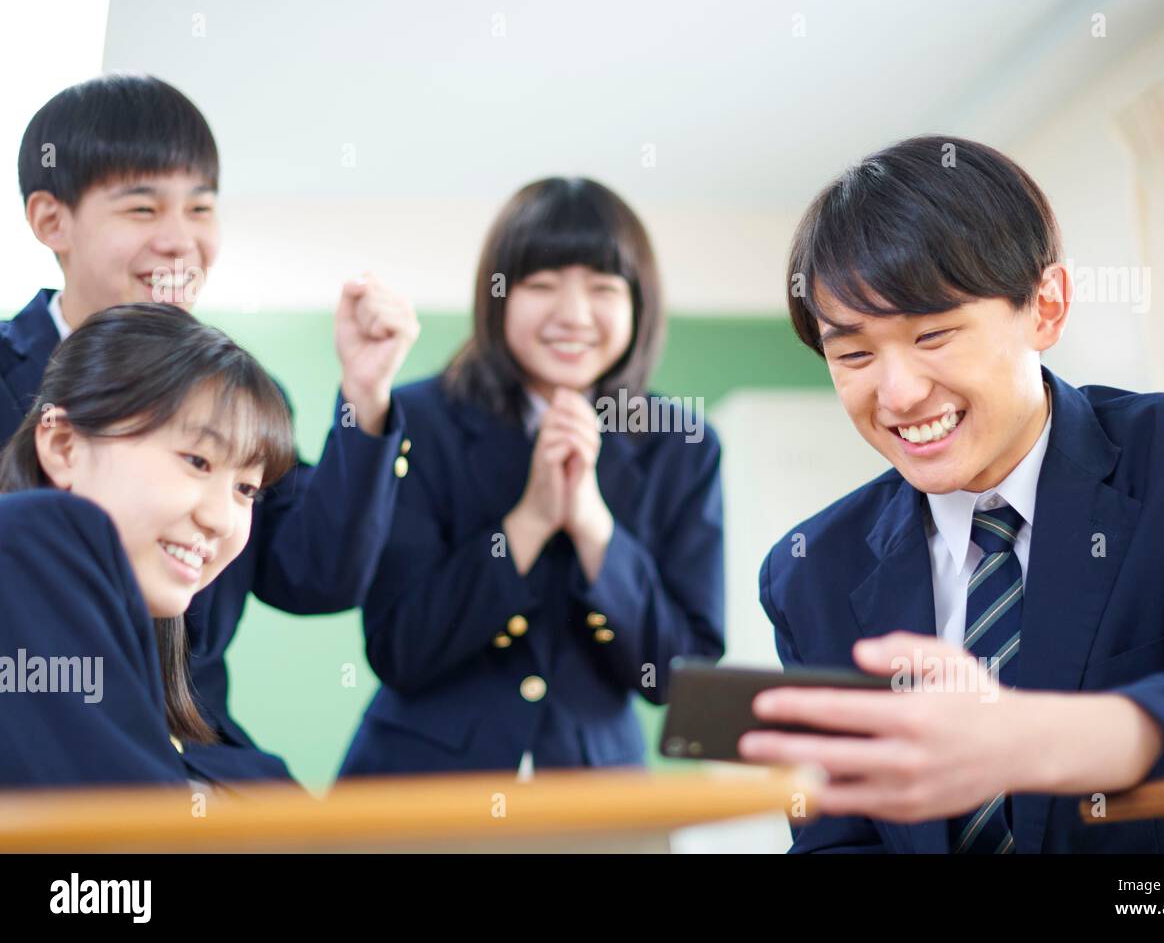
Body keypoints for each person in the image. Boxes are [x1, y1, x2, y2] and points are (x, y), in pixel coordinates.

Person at [737, 135, 1164, 853]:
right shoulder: (810, 568)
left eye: (934, 334)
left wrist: (1022, 737)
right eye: (853, 354)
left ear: (1047, 306)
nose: (899, 393)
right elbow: (838, 839)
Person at [3, 73, 420, 785]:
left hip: (192, 745)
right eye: (142, 207)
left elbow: (321, 572)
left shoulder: (238, 399)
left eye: (201, 207)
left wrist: (365, 394)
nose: (181, 240)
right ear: (52, 221)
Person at [339, 178, 725, 776]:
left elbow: (681, 675)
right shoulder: (418, 419)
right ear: (498, 298)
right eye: (541, 285)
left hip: (595, 800)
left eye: (602, 287)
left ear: (638, 305)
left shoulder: (683, 443)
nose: (572, 315)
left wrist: (594, 526)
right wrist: (530, 521)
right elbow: (400, 650)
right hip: (418, 791)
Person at [0, 303, 295, 789]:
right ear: (63, 447)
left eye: (246, 489)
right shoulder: (25, 534)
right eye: (197, 461)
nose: (221, 520)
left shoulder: (124, 621)